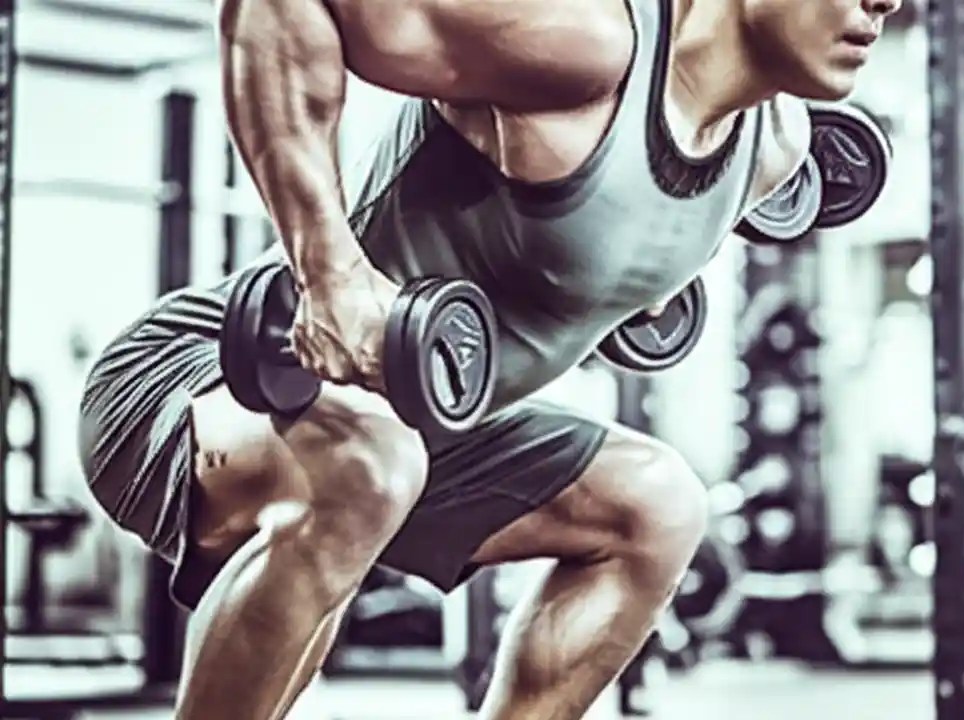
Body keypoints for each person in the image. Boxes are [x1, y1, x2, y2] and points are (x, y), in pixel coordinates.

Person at [77, 0, 901, 717]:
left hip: (406, 445)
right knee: (371, 463)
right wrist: (328, 275)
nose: (888, 0)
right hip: (200, 383)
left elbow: (617, 260)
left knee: (660, 507)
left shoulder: (774, 151)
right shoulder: (581, 41)